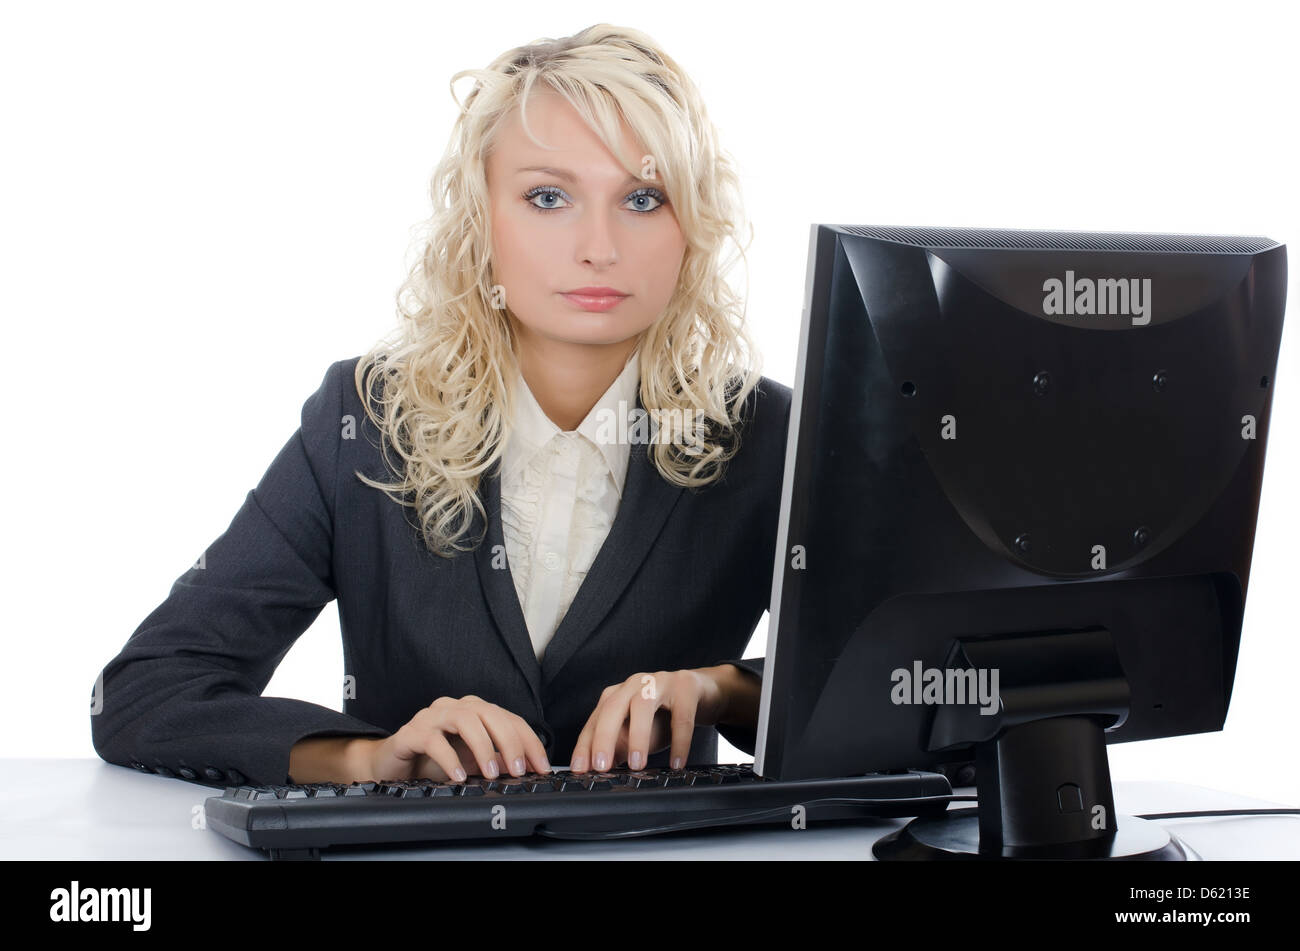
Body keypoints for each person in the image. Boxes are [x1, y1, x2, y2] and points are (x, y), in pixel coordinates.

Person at [90, 23, 792, 788]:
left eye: (643, 198)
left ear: (692, 226)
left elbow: (879, 691)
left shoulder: (768, 437)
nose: (599, 246)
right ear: (479, 218)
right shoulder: (362, 421)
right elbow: (146, 691)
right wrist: (366, 758)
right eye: (548, 196)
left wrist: (725, 689)